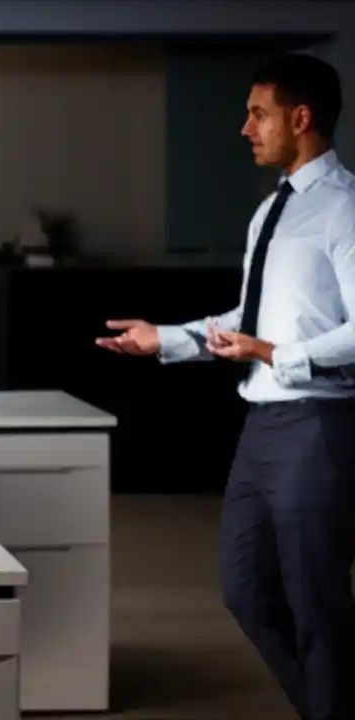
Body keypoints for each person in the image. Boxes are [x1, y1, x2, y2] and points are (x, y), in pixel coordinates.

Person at [97, 53, 355, 720]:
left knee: (317, 604)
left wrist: (275, 353)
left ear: (301, 119)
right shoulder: (271, 211)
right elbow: (250, 318)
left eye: (257, 113)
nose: (245, 128)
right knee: (244, 590)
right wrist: (169, 338)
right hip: (262, 427)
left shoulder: (344, 209)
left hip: (317, 427)